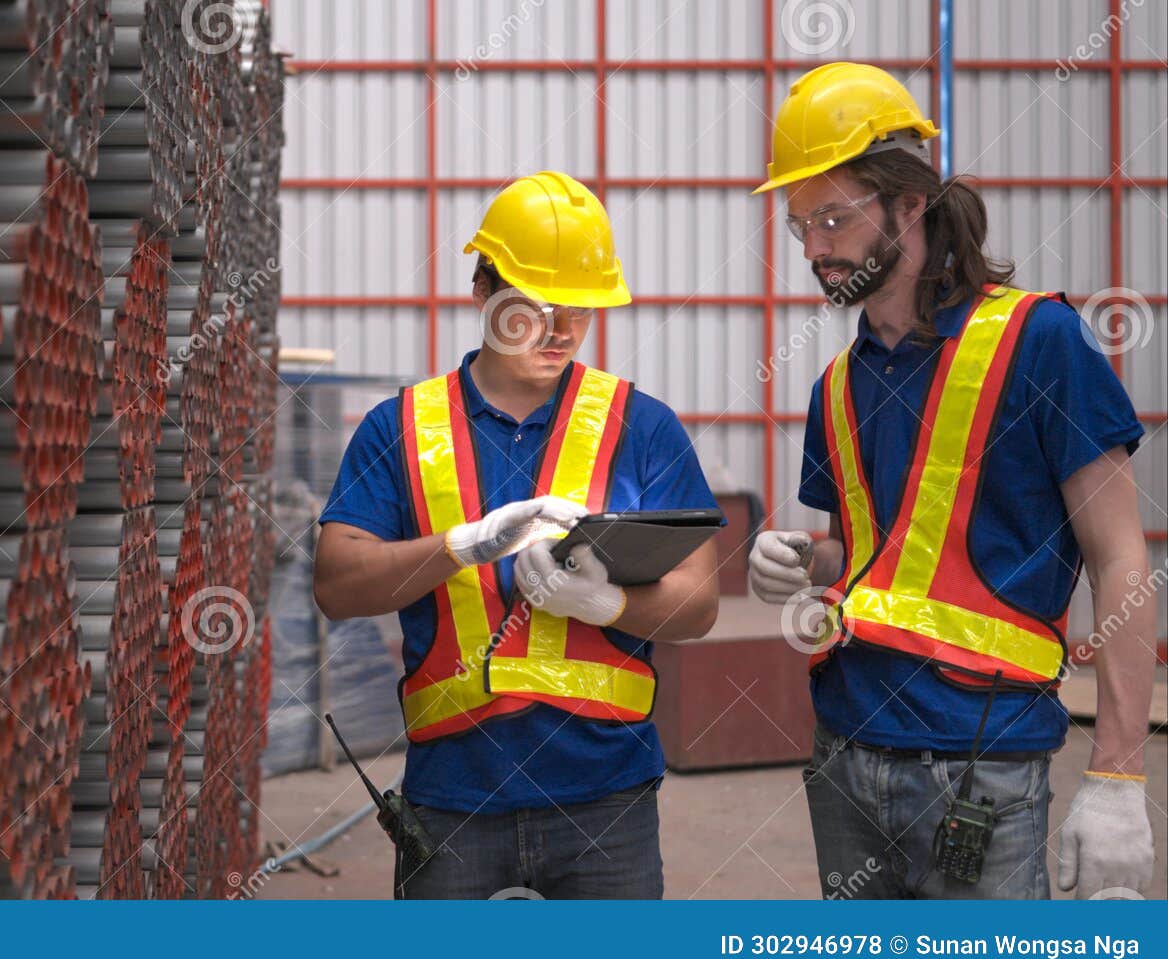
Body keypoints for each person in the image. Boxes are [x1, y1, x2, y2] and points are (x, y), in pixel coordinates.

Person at [747, 62, 1156, 899]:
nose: (816, 249)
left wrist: (1118, 776)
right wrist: (803, 560)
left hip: (983, 765)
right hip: (844, 751)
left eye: (834, 218)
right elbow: (864, 555)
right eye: (800, 227)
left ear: (909, 204)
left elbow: (1120, 560)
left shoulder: (1041, 342)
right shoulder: (836, 385)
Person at [313, 171, 722, 899]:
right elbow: (339, 585)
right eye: (534, 304)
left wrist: (611, 607)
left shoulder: (643, 426)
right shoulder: (402, 429)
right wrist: (458, 547)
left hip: (609, 801)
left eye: (580, 307)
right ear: (482, 291)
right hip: (452, 802)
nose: (560, 327)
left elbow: (699, 603)